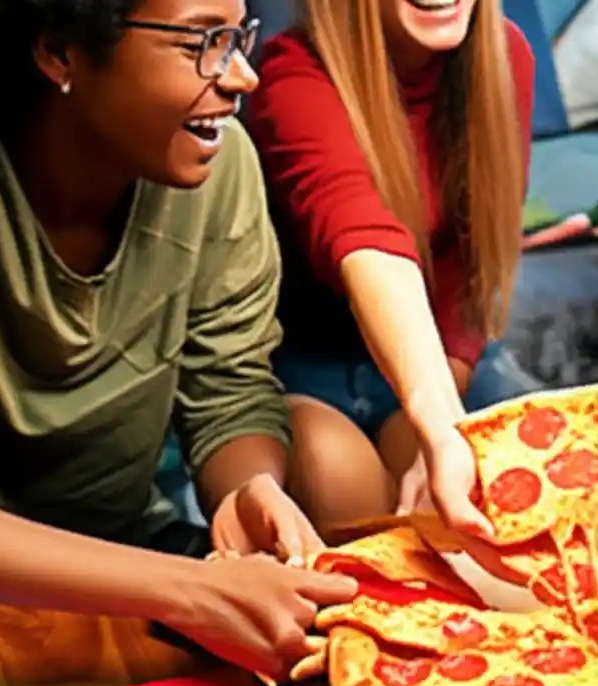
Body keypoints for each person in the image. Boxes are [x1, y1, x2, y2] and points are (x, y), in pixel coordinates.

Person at [0, 0, 360, 679]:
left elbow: (231, 393)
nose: (244, 76)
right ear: (61, 52)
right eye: (203, 42)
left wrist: (247, 489)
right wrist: (184, 591)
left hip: (142, 564)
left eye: (239, 37)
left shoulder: (219, 162)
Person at [247, 0, 580, 537]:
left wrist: (441, 416)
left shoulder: (505, 56)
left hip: (440, 362)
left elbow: (471, 273)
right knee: (340, 481)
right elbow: (362, 233)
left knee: (511, 501)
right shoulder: (290, 73)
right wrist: (442, 425)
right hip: (301, 368)